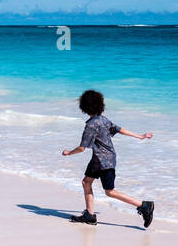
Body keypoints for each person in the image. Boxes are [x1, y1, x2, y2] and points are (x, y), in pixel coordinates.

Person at [61, 89, 155, 227]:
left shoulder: (91, 125)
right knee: (86, 182)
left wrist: (69, 153)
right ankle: (90, 215)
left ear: (85, 107)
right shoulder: (103, 120)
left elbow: (82, 148)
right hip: (105, 158)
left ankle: (144, 206)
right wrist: (139, 136)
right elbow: (119, 129)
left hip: (101, 161)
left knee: (110, 192)